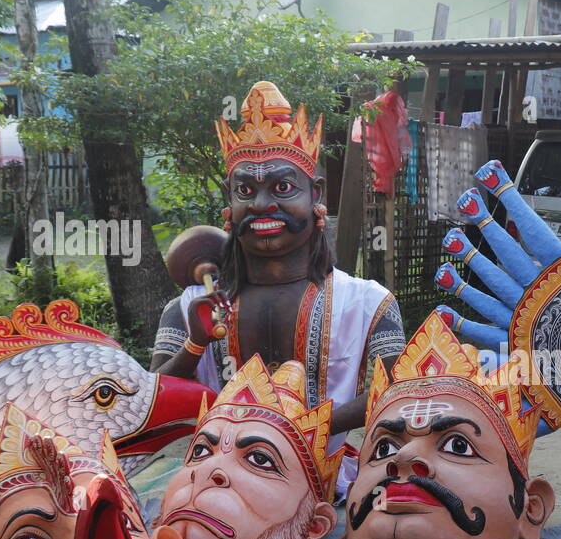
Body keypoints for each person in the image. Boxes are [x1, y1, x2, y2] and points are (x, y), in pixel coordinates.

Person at [150, 82, 404, 446]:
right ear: (229, 199)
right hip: (217, 489)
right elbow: (150, 400)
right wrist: (195, 344)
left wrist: (301, 429)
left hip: (331, 491)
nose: (261, 205)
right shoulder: (190, 307)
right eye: (245, 191)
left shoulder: (369, 304)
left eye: (283, 189)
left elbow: (394, 391)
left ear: (315, 193)